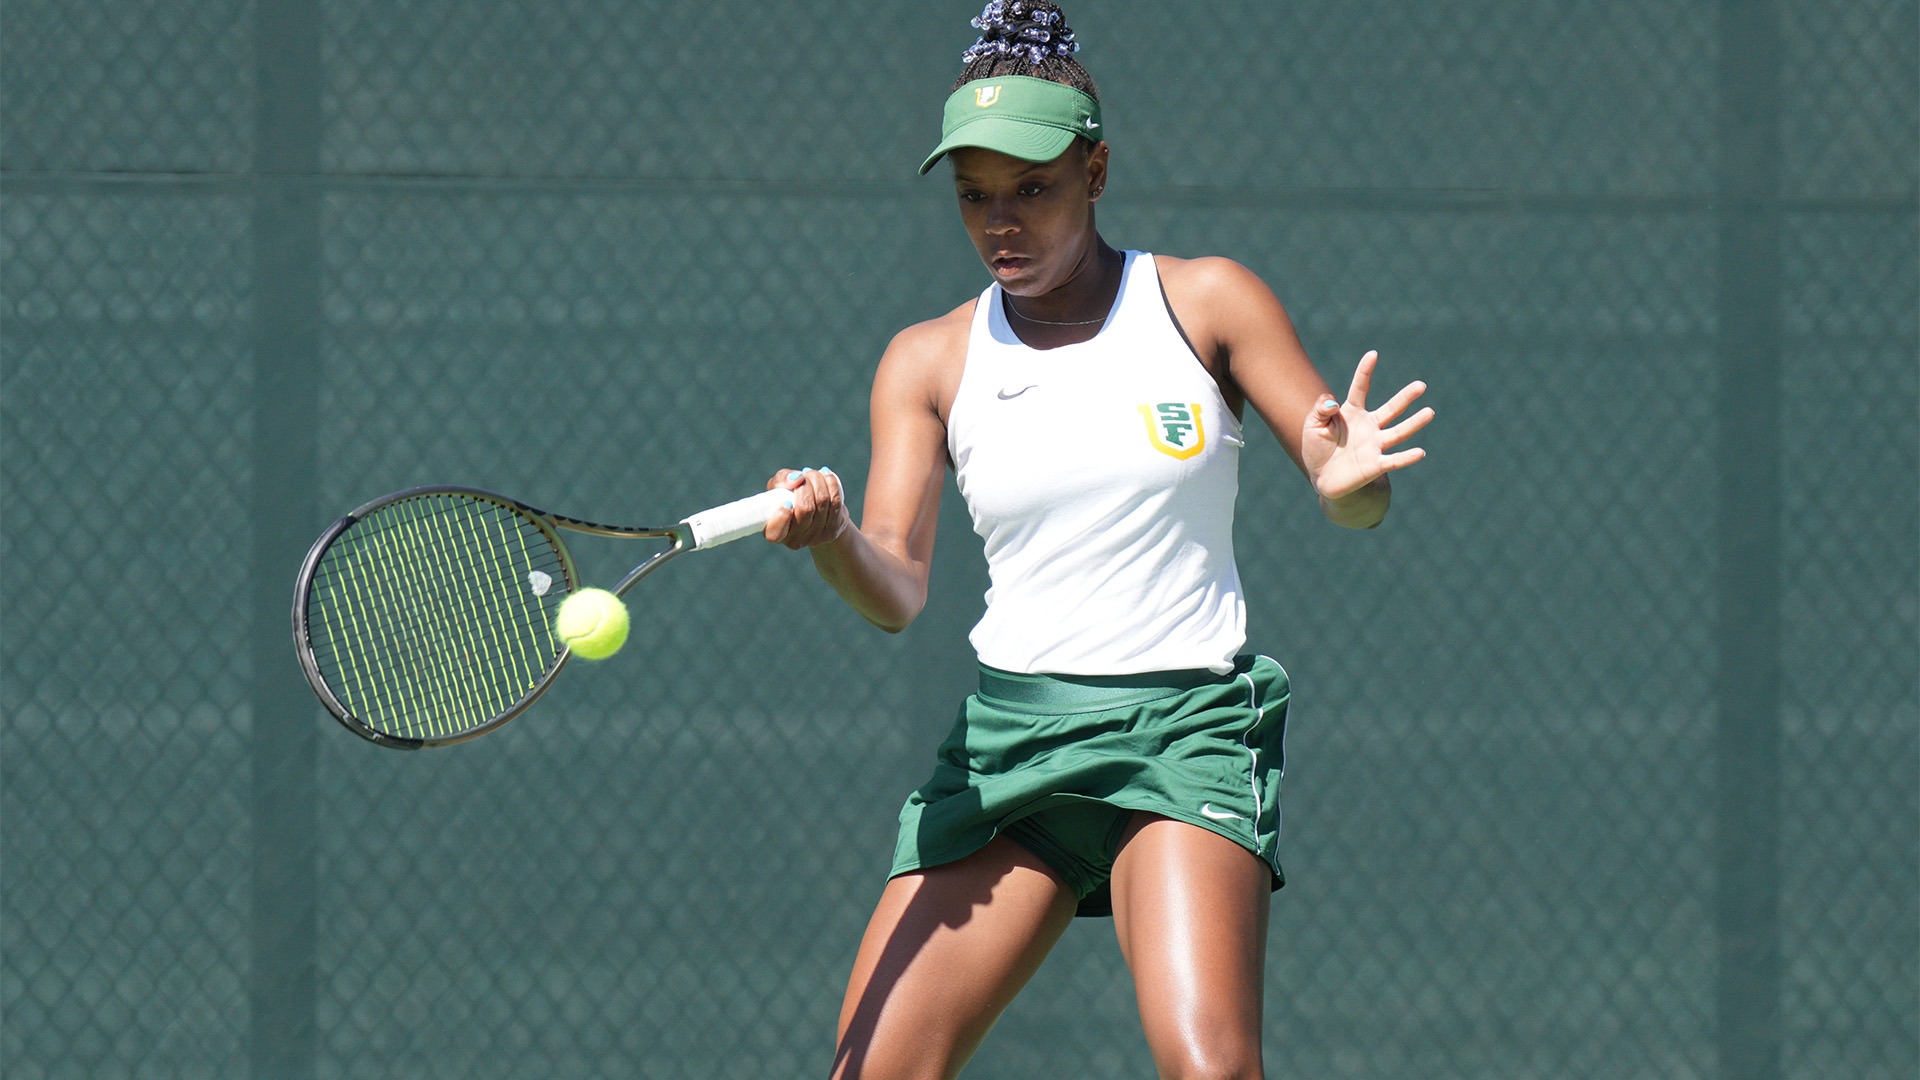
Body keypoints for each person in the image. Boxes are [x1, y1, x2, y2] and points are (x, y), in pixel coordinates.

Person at [767, 3, 1432, 1077]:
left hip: (1182, 732)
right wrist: (834, 534)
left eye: (1032, 188)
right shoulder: (927, 360)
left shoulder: (1208, 301)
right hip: (1011, 746)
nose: (1002, 223)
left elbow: (1349, 491)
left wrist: (1353, 484)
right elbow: (894, 587)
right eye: (974, 195)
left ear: (1097, 170)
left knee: (1211, 1068)